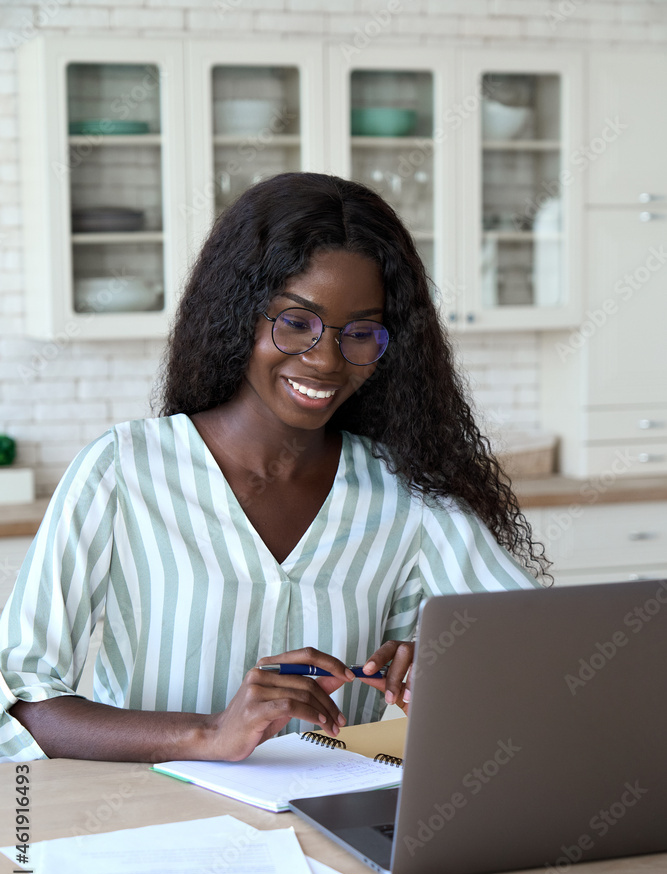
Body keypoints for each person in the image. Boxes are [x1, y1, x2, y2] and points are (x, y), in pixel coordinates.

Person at [0, 173, 549, 764]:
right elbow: (21, 702)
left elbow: (543, 657)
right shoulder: (123, 470)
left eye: (360, 333)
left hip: (335, 832)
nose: (325, 360)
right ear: (240, 314)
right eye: (295, 322)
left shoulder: (406, 491)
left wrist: (449, 664)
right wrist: (209, 734)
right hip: (157, 825)